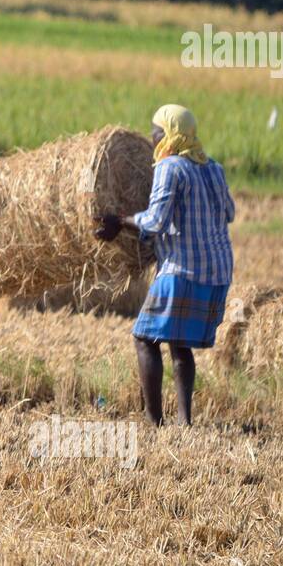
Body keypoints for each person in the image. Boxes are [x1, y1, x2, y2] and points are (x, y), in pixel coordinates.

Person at [94, 104, 234, 426]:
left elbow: (155, 221)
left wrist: (120, 221)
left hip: (181, 269)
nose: (152, 137)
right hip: (217, 271)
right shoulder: (214, 168)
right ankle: (184, 421)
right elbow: (229, 213)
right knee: (180, 344)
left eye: (156, 130)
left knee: (145, 338)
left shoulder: (169, 166)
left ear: (170, 133)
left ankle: (152, 419)